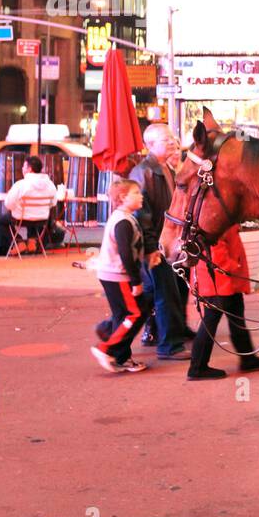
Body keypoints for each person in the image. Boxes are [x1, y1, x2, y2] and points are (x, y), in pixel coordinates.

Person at [129, 123, 193, 360]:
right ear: (150, 144)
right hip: (157, 245)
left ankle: (174, 333)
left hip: (168, 242)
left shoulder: (165, 168)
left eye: (171, 138)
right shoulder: (144, 172)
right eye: (165, 139)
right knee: (163, 293)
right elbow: (140, 214)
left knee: (169, 290)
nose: (171, 141)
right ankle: (169, 345)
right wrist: (151, 247)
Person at [186, 224, 259, 380]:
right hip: (219, 280)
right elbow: (216, 251)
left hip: (222, 280)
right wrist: (234, 266)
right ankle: (197, 367)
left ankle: (247, 358)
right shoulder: (214, 220)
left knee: (236, 318)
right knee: (212, 321)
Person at [90, 178, 149, 374]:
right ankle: (107, 349)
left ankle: (122, 357)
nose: (141, 196)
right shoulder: (123, 221)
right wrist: (136, 281)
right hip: (118, 275)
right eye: (136, 193)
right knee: (135, 313)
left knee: (122, 315)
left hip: (111, 273)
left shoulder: (123, 217)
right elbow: (125, 254)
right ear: (123, 197)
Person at [0, 155, 58, 254]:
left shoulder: (21, 184)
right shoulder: (50, 184)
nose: (22, 169)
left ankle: (19, 242)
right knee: (33, 216)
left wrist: (17, 208)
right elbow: (53, 203)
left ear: (29, 169)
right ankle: (32, 241)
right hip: (42, 219)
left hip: (21, 218)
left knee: (0, 219)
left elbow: (8, 204)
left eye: (24, 166)